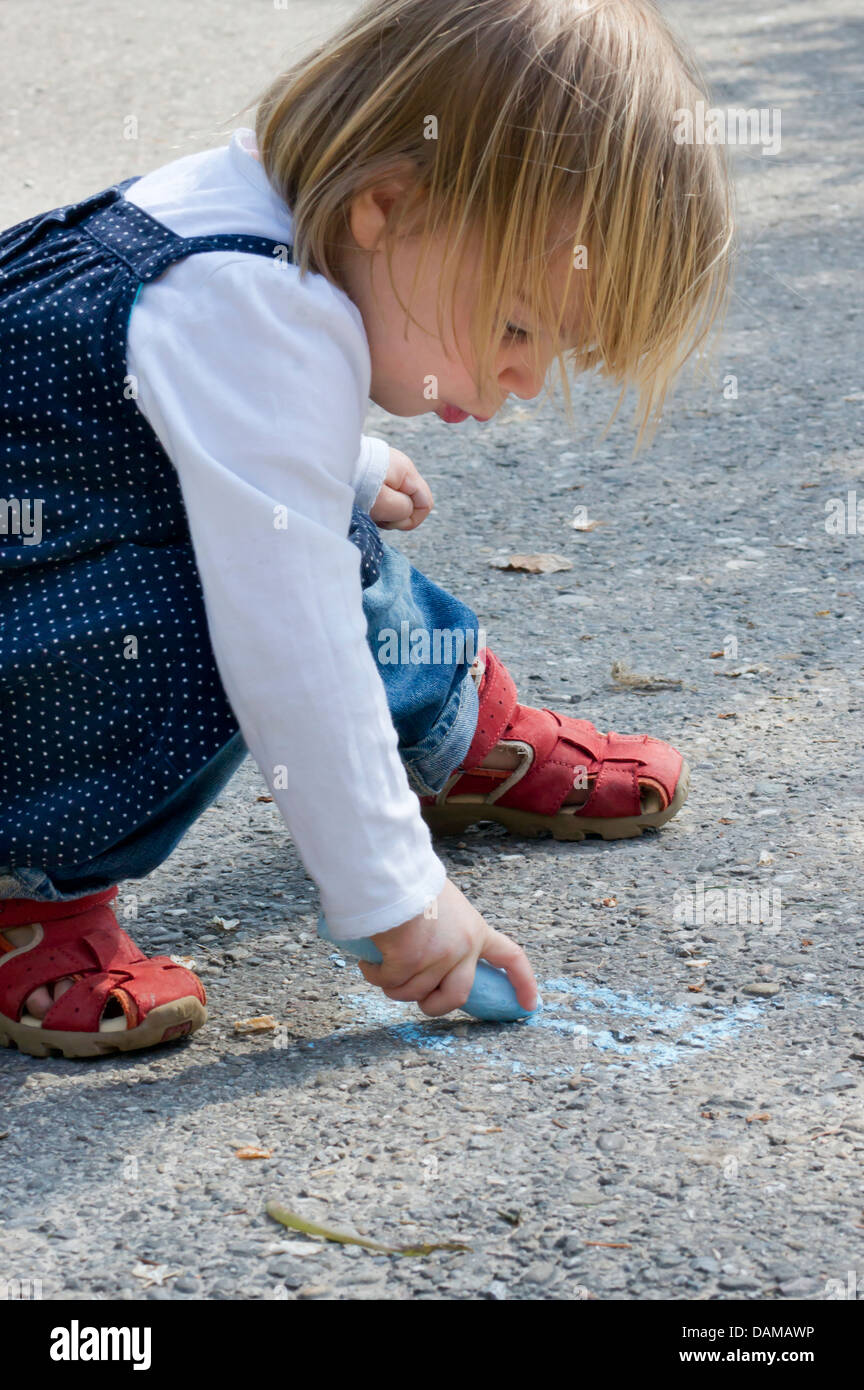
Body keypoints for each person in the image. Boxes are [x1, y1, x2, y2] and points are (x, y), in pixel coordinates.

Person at [0, 0, 733, 1058]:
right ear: (388, 202)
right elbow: (291, 641)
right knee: (245, 587)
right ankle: (33, 879)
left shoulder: (245, 219)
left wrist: (335, 460)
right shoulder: (258, 311)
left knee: (300, 522)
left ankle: (447, 728)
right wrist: (396, 899)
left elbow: (152, 420)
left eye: (551, 352)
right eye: (518, 325)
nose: (524, 376)